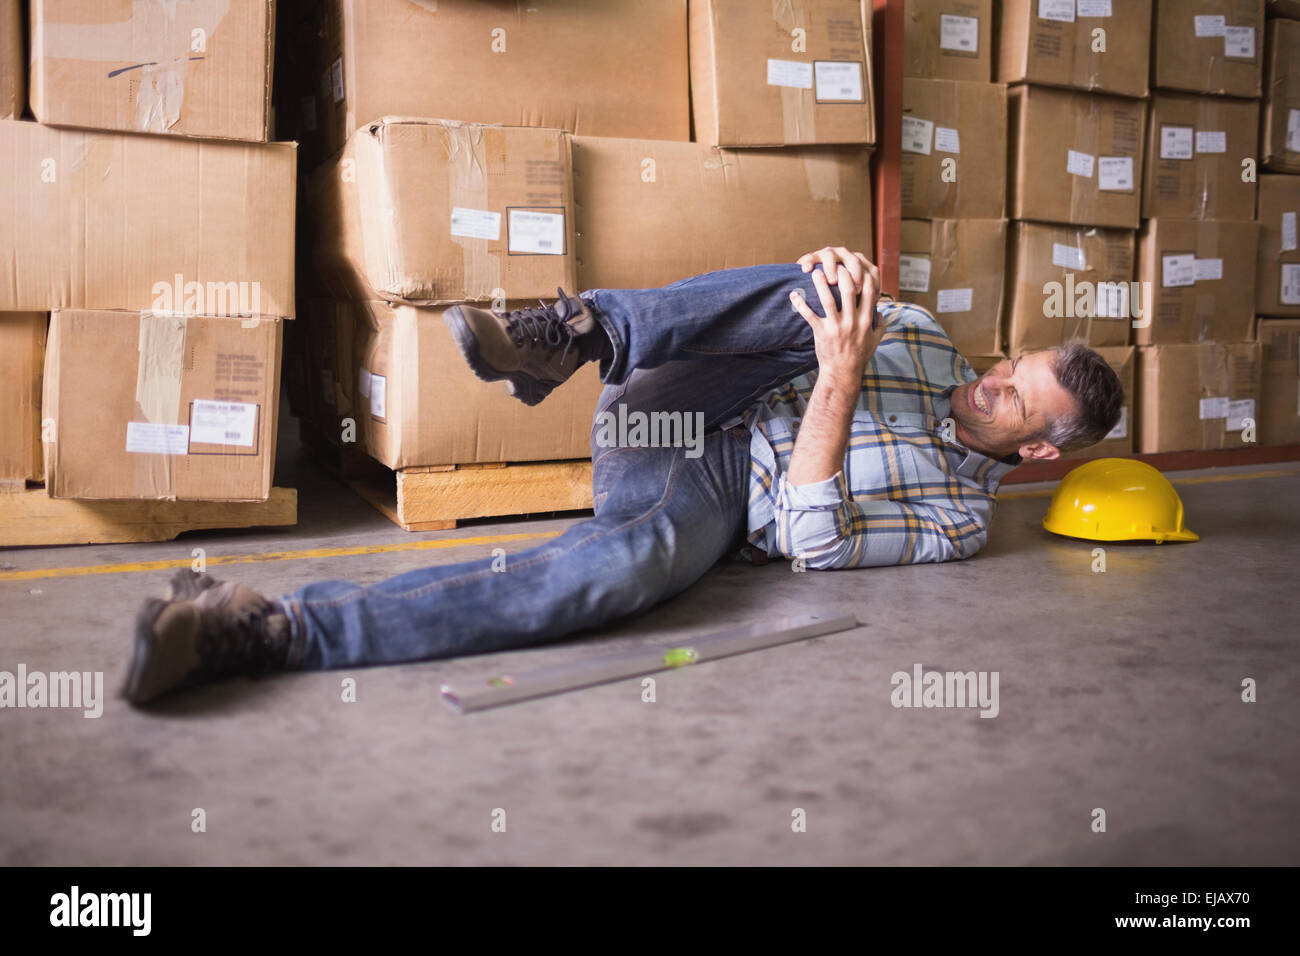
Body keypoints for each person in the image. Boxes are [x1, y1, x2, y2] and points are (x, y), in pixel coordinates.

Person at [121, 248, 1123, 705]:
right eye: (1006, 366)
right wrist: (844, 302)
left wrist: (842, 375)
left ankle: (265, 628)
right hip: (676, 382)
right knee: (834, 283)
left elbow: (814, 540)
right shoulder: (925, 335)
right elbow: (777, 311)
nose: (986, 383)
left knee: (624, 569)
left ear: (1038, 451)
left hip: (705, 474)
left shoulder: (955, 518)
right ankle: (570, 335)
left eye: (1013, 401)